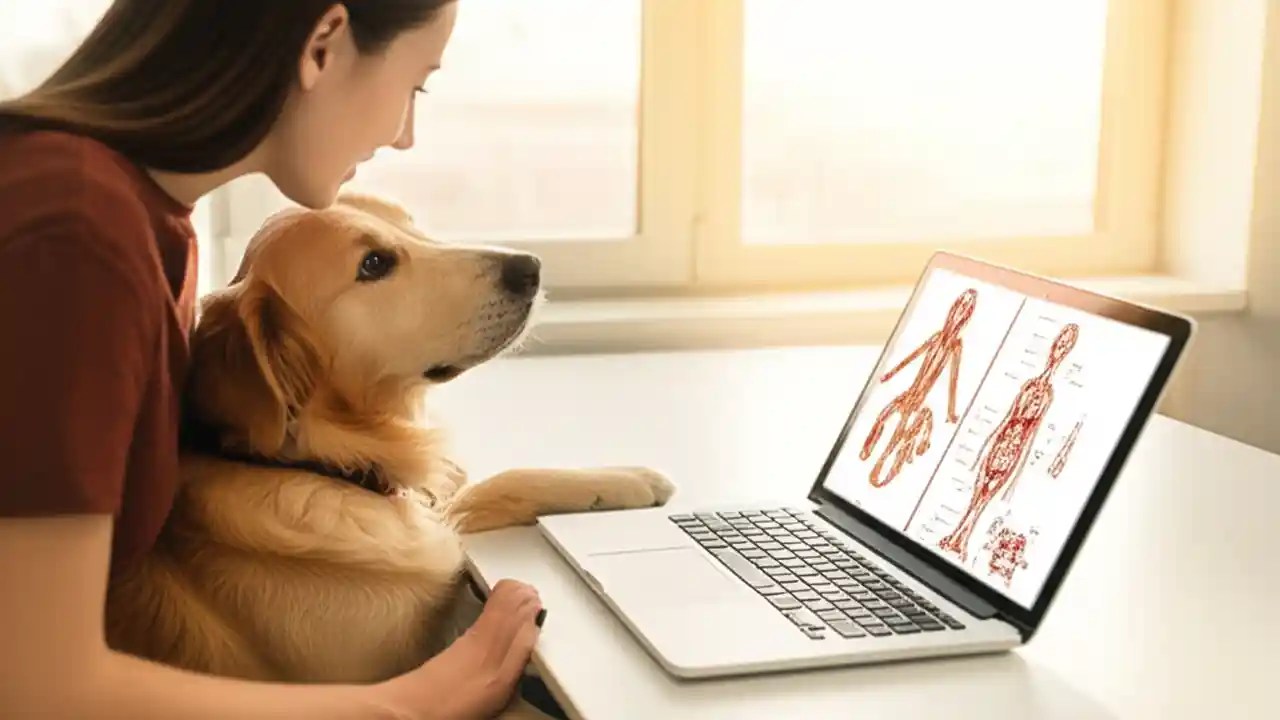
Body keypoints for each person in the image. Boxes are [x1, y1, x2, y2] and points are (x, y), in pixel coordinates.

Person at [0, 2, 546, 718]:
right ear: (323, 44)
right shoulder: (77, 234)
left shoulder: (134, 214)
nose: (405, 135)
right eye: (416, 85)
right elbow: (38, 685)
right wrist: (412, 705)